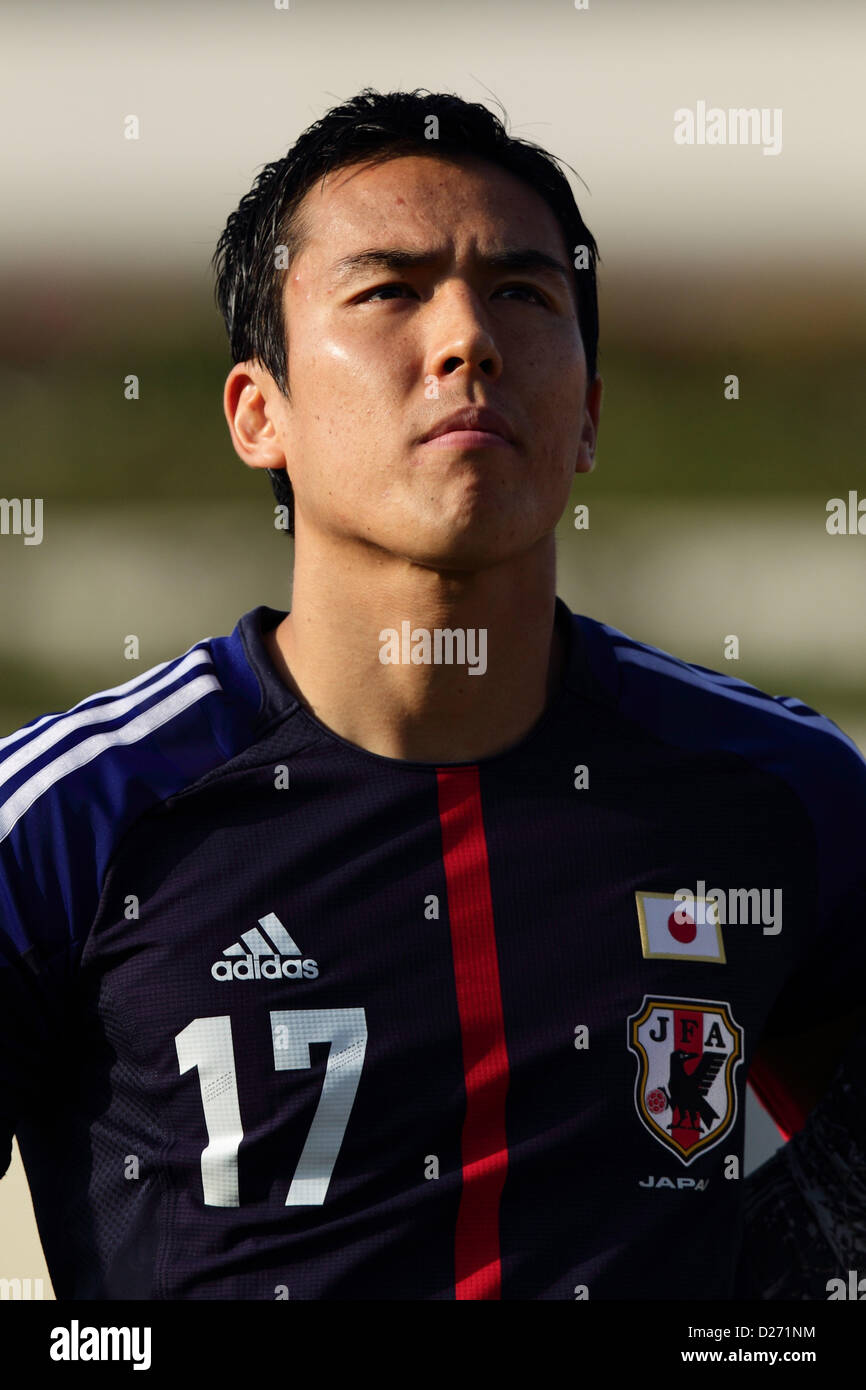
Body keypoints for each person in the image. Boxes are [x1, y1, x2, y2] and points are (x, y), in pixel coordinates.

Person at [1, 87, 863, 1301]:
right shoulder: (65, 821)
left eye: (521, 292)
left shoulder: (794, 798)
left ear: (589, 420)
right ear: (260, 411)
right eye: (388, 290)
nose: (467, 340)